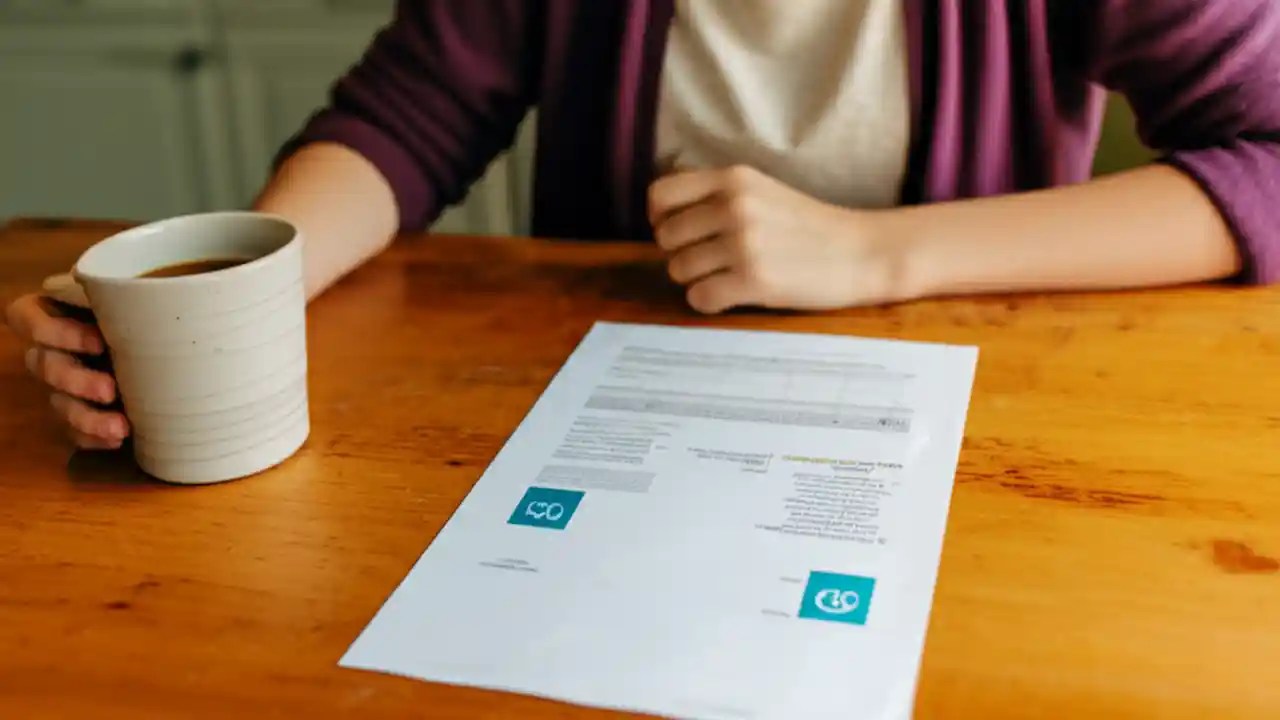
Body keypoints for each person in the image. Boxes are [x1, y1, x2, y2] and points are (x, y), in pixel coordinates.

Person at [7, 0, 1280, 450]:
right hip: (632, 434)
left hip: (1000, 444)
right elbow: (405, 120)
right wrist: (244, 288)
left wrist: (879, 253)